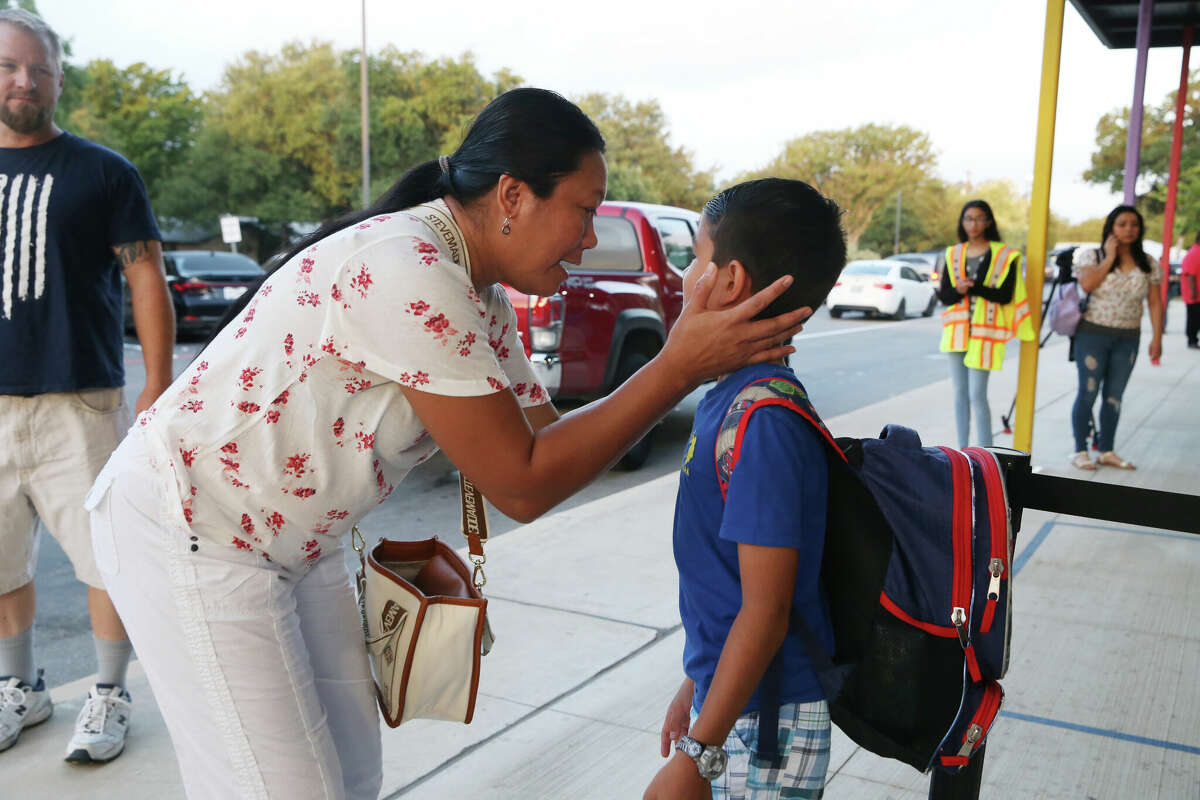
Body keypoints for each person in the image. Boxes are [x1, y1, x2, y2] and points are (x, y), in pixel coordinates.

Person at [85, 88, 811, 799]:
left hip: (297, 547)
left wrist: (681, 367)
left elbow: (546, 445)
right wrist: (678, 364)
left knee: (353, 776)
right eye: (584, 211)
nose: (590, 237)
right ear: (513, 197)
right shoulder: (410, 269)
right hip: (192, 530)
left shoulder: (480, 295)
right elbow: (522, 485)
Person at [0, 9, 174, 765]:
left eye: (38, 68)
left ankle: (108, 693)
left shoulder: (104, 172)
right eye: (8, 65)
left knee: (106, 559)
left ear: (59, 78)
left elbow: (145, 276)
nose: (23, 81)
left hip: (81, 399)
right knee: (1, 563)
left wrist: (158, 383)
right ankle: (21, 689)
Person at [644, 178, 846, 800]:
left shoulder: (764, 425)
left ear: (729, 282)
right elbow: (731, 594)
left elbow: (766, 610)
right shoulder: (730, 401)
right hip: (739, 704)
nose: (683, 275)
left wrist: (697, 754)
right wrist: (696, 685)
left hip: (768, 726)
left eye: (695, 257)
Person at [1069, 205, 1165, 470]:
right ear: (1111, 227)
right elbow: (1087, 284)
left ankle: (1107, 449)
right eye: (1122, 224)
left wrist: (1157, 338)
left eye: (1133, 224)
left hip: (1128, 337)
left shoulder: (1148, 263)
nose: (1128, 229)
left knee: (1114, 395)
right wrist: (1109, 257)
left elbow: (1155, 302)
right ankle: (1080, 450)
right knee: (1087, 393)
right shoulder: (1093, 256)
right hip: (1092, 335)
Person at [936, 200, 1034, 448]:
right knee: (959, 395)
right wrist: (959, 290)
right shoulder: (952, 253)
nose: (973, 224)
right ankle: (962, 451)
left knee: (976, 395)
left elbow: (1005, 295)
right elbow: (945, 296)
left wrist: (974, 287)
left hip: (984, 335)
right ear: (962, 222)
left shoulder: (1004, 255)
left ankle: (985, 452)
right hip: (957, 333)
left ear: (988, 222)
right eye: (968, 218)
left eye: (979, 218)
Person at [1180, 231, 1200, 349]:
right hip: (1194, 293)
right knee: (1194, 318)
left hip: (1197, 292)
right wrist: (1193, 291)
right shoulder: (1194, 253)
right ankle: (1192, 339)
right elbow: (1190, 274)